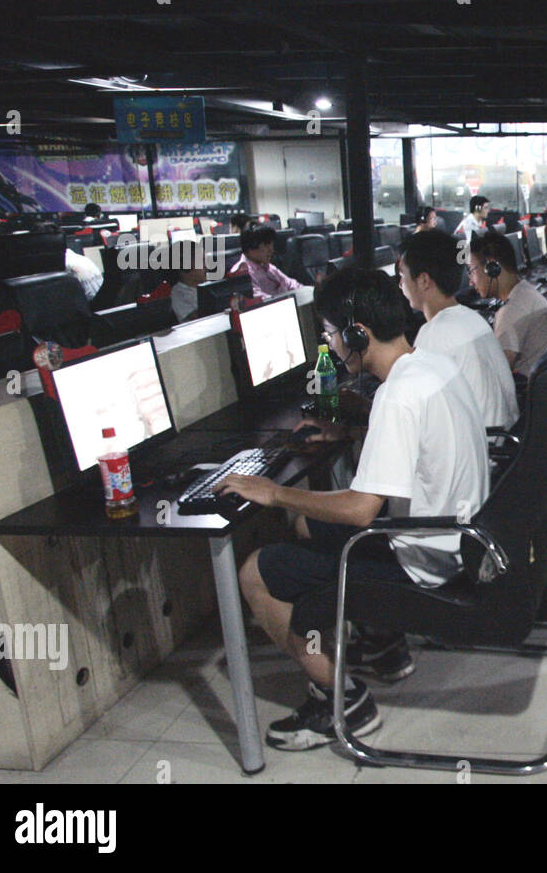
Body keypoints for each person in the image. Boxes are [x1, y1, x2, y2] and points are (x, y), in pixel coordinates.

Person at [214, 267, 490, 751]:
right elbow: (415, 441)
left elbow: (361, 510)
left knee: (256, 572)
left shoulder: (399, 394)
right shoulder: (431, 366)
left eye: (329, 333)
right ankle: (382, 649)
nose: (329, 344)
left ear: (356, 333)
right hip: (460, 541)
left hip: (424, 563)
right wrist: (358, 428)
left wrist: (271, 491)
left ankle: (342, 700)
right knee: (306, 524)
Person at [398, 229, 519, 428]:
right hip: (502, 442)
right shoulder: (472, 318)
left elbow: (413, 418)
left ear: (424, 280)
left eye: (403, 276)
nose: (400, 284)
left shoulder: (435, 334)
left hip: (483, 451)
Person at [469, 230, 547, 375]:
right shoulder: (525, 293)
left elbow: (495, 377)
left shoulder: (511, 313)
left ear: (492, 268)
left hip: (527, 393)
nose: (470, 282)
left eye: (472, 271)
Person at [230, 225, 301, 299]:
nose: (272, 250)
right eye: (266, 246)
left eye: (271, 245)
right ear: (250, 248)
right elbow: (257, 301)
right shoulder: (240, 273)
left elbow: (291, 284)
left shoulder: (268, 267)